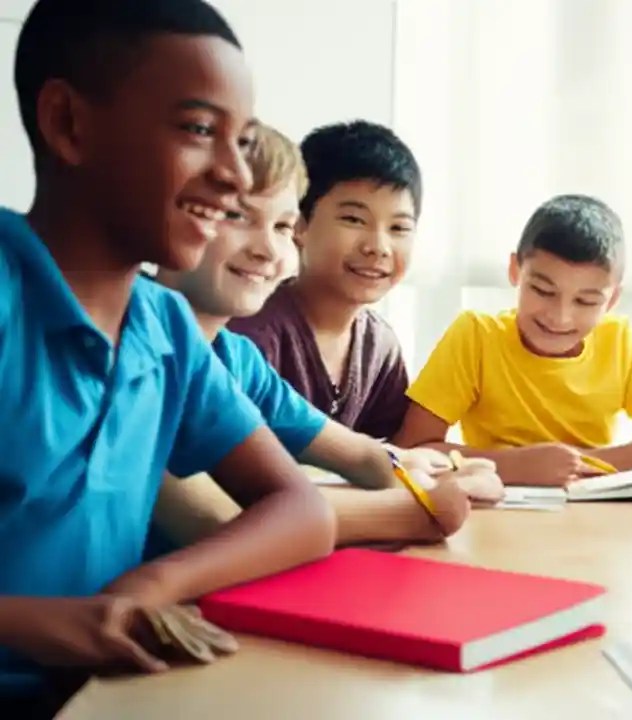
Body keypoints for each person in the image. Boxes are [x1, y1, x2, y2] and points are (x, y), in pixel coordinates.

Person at [0, 1, 334, 715]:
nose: (236, 177)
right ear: (68, 124)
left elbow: (301, 508)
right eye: (199, 131)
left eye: (242, 142)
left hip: (107, 699)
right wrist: (35, 623)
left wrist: (145, 590)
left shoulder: (166, 327)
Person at [151, 124, 502, 551]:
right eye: (237, 216)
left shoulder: (234, 356)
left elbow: (360, 454)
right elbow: (223, 516)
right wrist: (421, 510)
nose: (267, 249)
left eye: (281, 225)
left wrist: (437, 475)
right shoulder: (140, 345)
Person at [394, 195, 632, 487]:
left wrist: (574, 463)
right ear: (515, 271)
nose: (560, 317)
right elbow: (412, 449)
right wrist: (514, 467)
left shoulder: (621, 342)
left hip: (590, 510)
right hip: (497, 507)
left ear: (612, 299)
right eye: (543, 291)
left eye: (586, 301)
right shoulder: (476, 336)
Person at [228, 120, 421, 439]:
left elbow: (393, 455)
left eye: (399, 228)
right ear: (299, 224)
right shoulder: (253, 333)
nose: (378, 247)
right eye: (353, 219)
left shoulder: (380, 346)